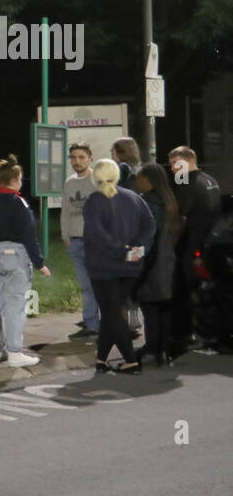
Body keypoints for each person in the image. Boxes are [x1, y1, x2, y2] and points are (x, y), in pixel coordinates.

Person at [0, 153, 50, 367]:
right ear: (14, 181)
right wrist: (39, 262)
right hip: (14, 256)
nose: (21, 184)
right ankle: (15, 352)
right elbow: (28, 236)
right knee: (16, 305)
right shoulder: (18, 203)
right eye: (20, 180)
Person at [83, 158, 155, 374]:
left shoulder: (93, 201)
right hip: (131, 268)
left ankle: (131, 360)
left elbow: (97, 235)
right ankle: (101, 359)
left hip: (103, 267)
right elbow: (150, 226)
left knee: (112, 314)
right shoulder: (134, 198)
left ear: (96, 177)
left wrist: (121, 252)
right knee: (112, 312)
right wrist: (138, 250)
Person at [168, 145, 222, 356]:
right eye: (171, 163)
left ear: (189, 161)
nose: (173, 168)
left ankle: (187, 333)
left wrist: (171, 242)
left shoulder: (187, 182)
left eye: (175, 163)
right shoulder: (210, 180)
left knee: (186, 291)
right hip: (209, 244)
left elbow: (180, 216)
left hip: (192, 247)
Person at [133, 163, 179, 366]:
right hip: (167, 262)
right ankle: (164, 349)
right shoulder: (169, 202)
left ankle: (151, 347)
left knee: (150, 309)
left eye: (139, 178)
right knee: (164, 309)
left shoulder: (146, 203)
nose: (137, 182)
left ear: (148, 180)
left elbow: (145, 237)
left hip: (151, 264)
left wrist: (134, 259)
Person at [60, 142, 99, 340]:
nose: (77, 161)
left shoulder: (96, 181)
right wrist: (65, 236)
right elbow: (65, 211)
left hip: (95, 242)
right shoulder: (69, 183)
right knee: (85, 286)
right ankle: (91, 324)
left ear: (90, 158)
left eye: (81, 157)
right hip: (75, 242)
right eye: (73, 157)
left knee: (99, 284)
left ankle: (107, 324)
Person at [109, 137, 144, 334]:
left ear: (119, 152)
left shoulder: (121, 170)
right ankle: (135, 313)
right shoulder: (141, 170)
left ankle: (125, 321)